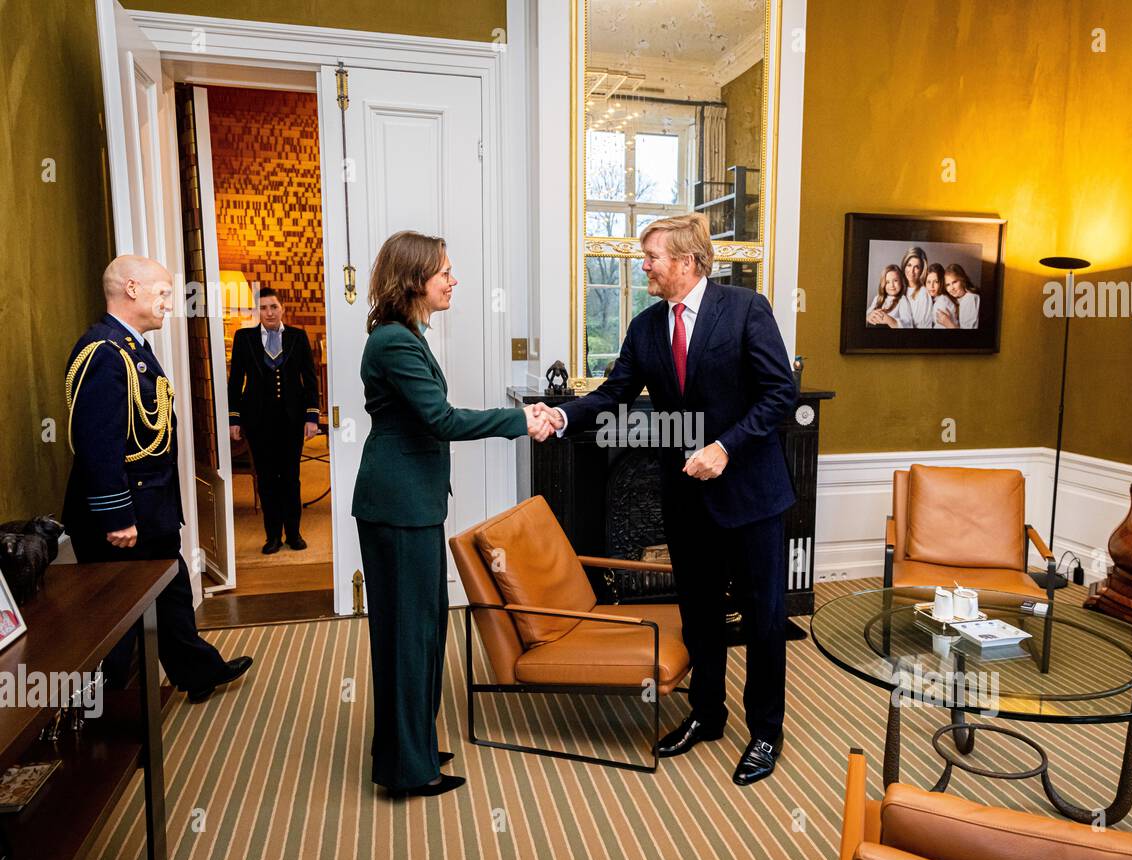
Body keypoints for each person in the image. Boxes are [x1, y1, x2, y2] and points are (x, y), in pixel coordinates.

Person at [543, 212, 797, 786]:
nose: (644, 266)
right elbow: (613, 394)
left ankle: (765, 731)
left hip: (752, 496)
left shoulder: (745, 310)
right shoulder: (645, 326)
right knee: (699, 613)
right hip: (686, 499)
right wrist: (561, 414)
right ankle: (707, 713)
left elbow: (781, 393)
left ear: (687, 261)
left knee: (762, 617)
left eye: (652, 256)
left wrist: (725, 448)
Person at [352, 230, 555, 799]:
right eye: (444, 270)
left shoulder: (405, 335)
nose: (453, 279)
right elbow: (439, 420)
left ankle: (408, 745)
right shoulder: (394, 341)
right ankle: (407, 769)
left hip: (410, 504)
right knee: (408, 633)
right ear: (415, 278)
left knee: (423, 628)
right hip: (397, 506)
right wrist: (518, 421)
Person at [62, 255, 253, 703]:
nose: (171, 303)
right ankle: (97, 716)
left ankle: (197, 670)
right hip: (125, 515)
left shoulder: (131, 348)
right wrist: (116, 517)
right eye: (163, 292)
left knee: (170, 589)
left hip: (152, 507)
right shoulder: (102, 353)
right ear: (131, 289)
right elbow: (97, 444)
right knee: (118, 624)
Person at [228, 286, 321, 554]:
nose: (269, 312)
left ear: (282, 309)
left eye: (274, 307)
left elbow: (310, 379)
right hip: (258, 421)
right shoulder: (244, 338)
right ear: (258, 311)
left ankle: (294, 533)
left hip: (292, 421)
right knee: (267, 479)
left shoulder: (297, 337)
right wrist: (234, 418)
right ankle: (272, 537)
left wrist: (311, 416)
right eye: (264, 308)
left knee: (291, 477)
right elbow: (235, 381)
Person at [919, 263, 959, 330]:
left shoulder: (942, 303)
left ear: (941, 282)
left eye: (936, 282)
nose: (931, 286)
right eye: (928, 282)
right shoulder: (936, 299)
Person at [944, 263, 982, 329]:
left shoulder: (969, 299)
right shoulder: (958, 300)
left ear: (962, 280)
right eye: (948, 285)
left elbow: (966, 336)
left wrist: (948, 323)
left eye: (954, 282)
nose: (951, 288)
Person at [900, 247, 928, 328]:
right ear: (904, 265)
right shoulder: (897, 287)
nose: (911, 271)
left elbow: (924, 326)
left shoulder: (923, 293)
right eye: (909, 265)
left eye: (916, 267)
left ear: (922, 270)